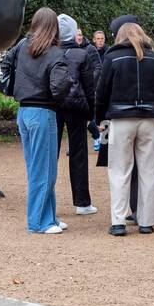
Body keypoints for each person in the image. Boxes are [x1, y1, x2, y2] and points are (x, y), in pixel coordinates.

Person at [95, 19, 154, 236]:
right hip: (148, 120)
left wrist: (99, 119)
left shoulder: (112, 57)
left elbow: (101, 93)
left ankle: (118, 222)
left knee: (119, 170)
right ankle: (147, 221)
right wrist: (151, 96)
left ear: (119, 35)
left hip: (120, 120)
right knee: (149, 171)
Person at [0, 8, 74, 234]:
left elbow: (5, 65)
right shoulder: (55, 53)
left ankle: (48, 216)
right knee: (45, 170)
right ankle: (39, 222)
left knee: (38, 168)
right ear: (55, 28)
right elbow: (59, 88)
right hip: (43, 114)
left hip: (24, 113)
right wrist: (68, 80)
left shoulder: (22, 46)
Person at [55, 13, 99, 216]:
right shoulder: (82, 55)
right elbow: (90, 87)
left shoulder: (49, 53)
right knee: (79, 154)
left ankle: (47, 202)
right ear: (73, 33)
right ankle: (82, 202)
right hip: (77, 108)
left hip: (53, 108)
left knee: (49, 155)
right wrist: (92, 113)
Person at [89, 30, 108, 150]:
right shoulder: (90, 52)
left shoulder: (109, 52)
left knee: (104, 113)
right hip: (93, 85)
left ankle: (104, 141)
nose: (100, 41)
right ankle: (96, 138)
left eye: (102, 38)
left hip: (105, 86)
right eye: (98, 38)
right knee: (93, 114)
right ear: (94, 39)